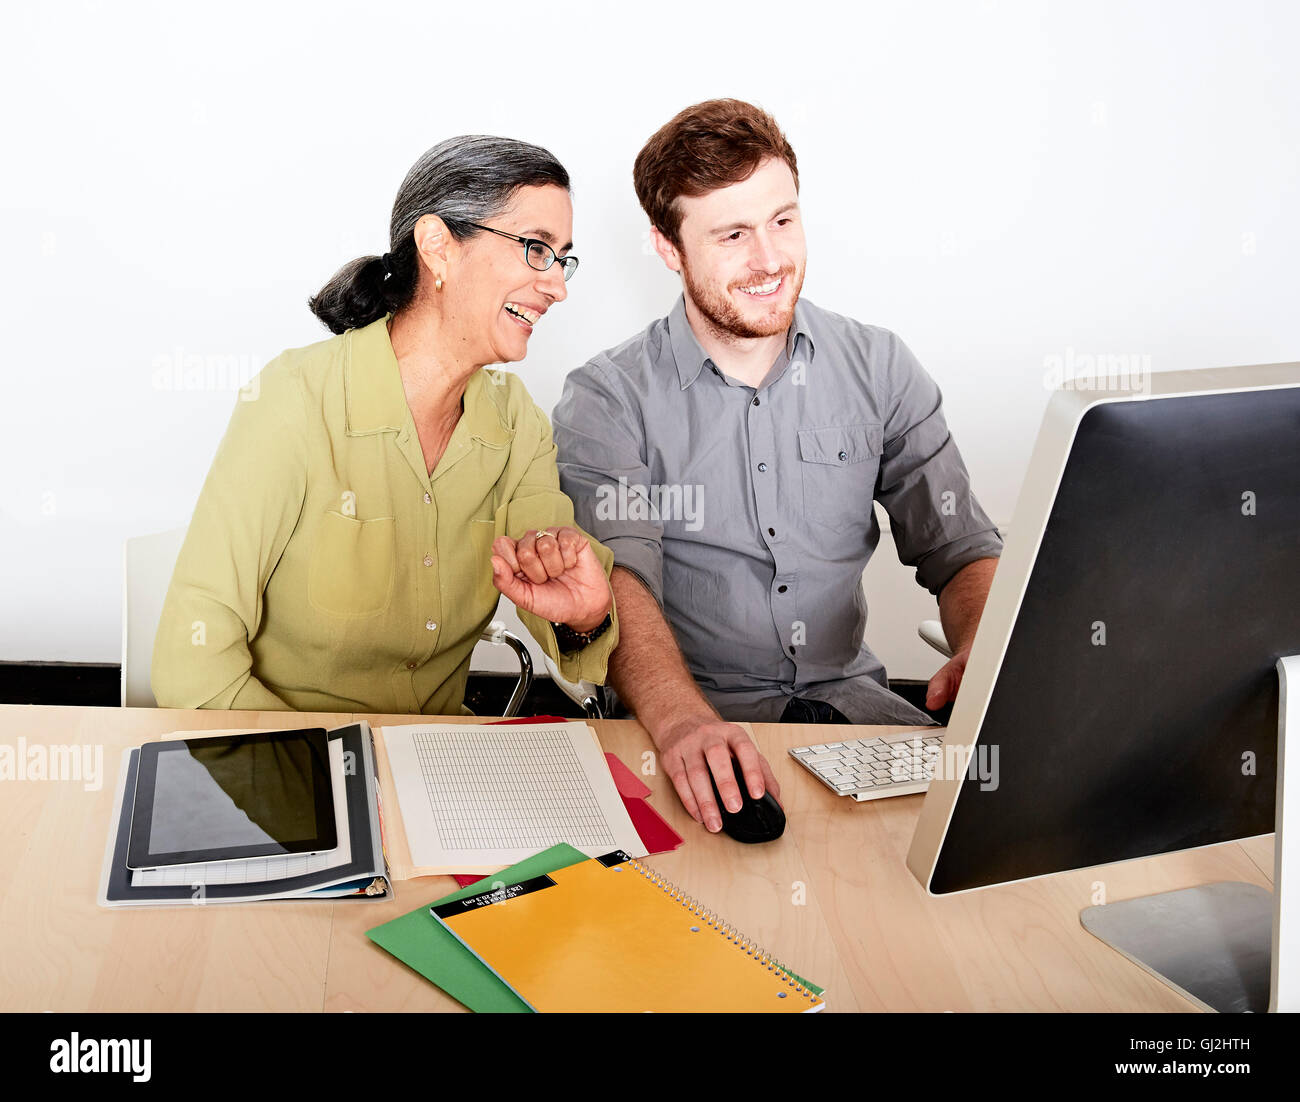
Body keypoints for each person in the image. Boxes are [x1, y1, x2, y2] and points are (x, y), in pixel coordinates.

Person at [552, 99, 1001, 833]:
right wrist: (682, 725)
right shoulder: (606, 398)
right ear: (669, 248)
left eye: (783, 221)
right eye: (733, 234)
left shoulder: (879, 366)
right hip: (686, 733)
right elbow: (619, 581)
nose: (770, 260)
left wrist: (983, 647)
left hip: (859, 723)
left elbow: (959, 548)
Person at [153, 135, 616, 714]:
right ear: (438, 246)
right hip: (294, 770)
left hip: (436, 768)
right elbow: (191, 665)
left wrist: (583, 617)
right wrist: (330, 776)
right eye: (535, 248)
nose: (558, 285)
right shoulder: (294, 399)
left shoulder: (515, 419)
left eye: (562, 256)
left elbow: (552, 578)